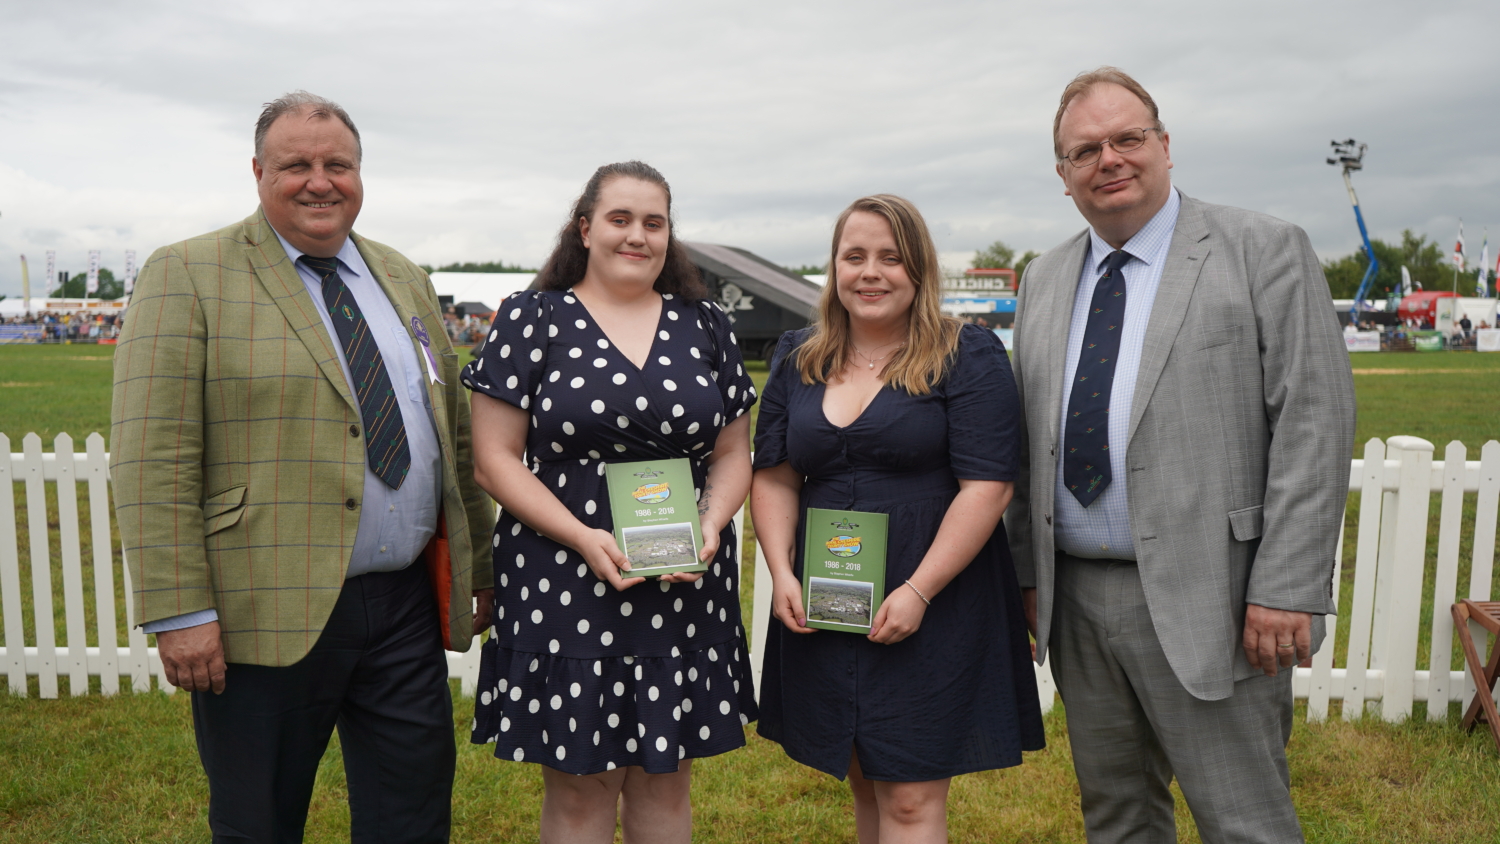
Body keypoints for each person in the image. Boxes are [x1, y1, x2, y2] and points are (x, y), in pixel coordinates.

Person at [110, 91, 494, 842]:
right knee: (260, 820)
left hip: (404, 607)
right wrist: (181, 613)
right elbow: (152, 456)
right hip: (262, 609)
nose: (320, 181)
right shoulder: (187, 273)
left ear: (359, 173)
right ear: (258, 172)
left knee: (413, 814)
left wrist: (478, 567)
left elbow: (451, 432)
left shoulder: (402, 274)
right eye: (296, 165)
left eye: (337, 164)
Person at [1005, 67, 1356, 843]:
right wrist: (1028, 577)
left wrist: (1287, 586)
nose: (1110, 159)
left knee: (1245, 823)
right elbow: (1027, 439)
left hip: (1221, 601)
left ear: (1165, 145)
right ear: (1064, 177)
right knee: (1119, 818)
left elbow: (1314, 424)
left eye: (1128, 138)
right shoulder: (1045, 277)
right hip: (1079, 607)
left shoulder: (1264, 250)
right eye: (1084, 150)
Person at [461, 161, 758, 844]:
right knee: (578, 791)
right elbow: (494, 460)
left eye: (654, 222)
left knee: (667, 783)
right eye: (621, 219)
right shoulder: (533, 318)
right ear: (587, 227)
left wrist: (711, 526)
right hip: (566, 576)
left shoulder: (706, 324)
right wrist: (584, 537)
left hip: (684, 578)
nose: (638, 236)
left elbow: (734, 452)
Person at [752, 194, 1044, 843]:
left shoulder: (966, 353)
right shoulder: (800, 355)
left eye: (891, 257)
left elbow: (988, 487)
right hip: (830, 597)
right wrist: (781, 573)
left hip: (932, 599)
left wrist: (918, 590)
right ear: (833, 268)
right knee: (861, 775)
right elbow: (772, 475)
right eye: (853, 257)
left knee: (910, 797)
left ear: (919, 269)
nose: (870, 272)